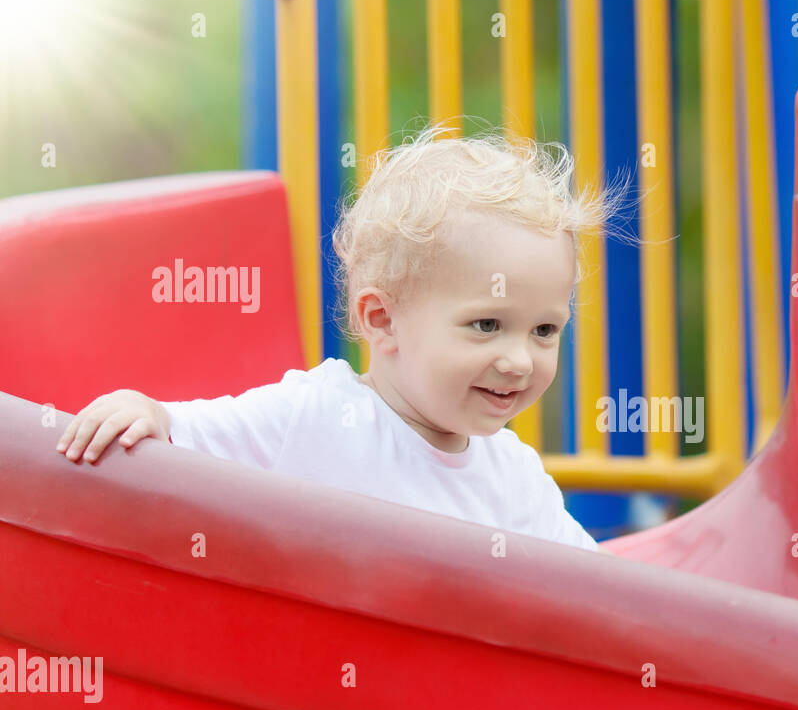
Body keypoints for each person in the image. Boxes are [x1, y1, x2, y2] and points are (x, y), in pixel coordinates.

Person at [54, 122, 628, 553]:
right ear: (381, 319)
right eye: (487, 325)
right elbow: (189, 436)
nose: (520, 359)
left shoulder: (515, 476)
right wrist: (144, 410)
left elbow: (598, 590)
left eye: (545, 330)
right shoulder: (316, 416)